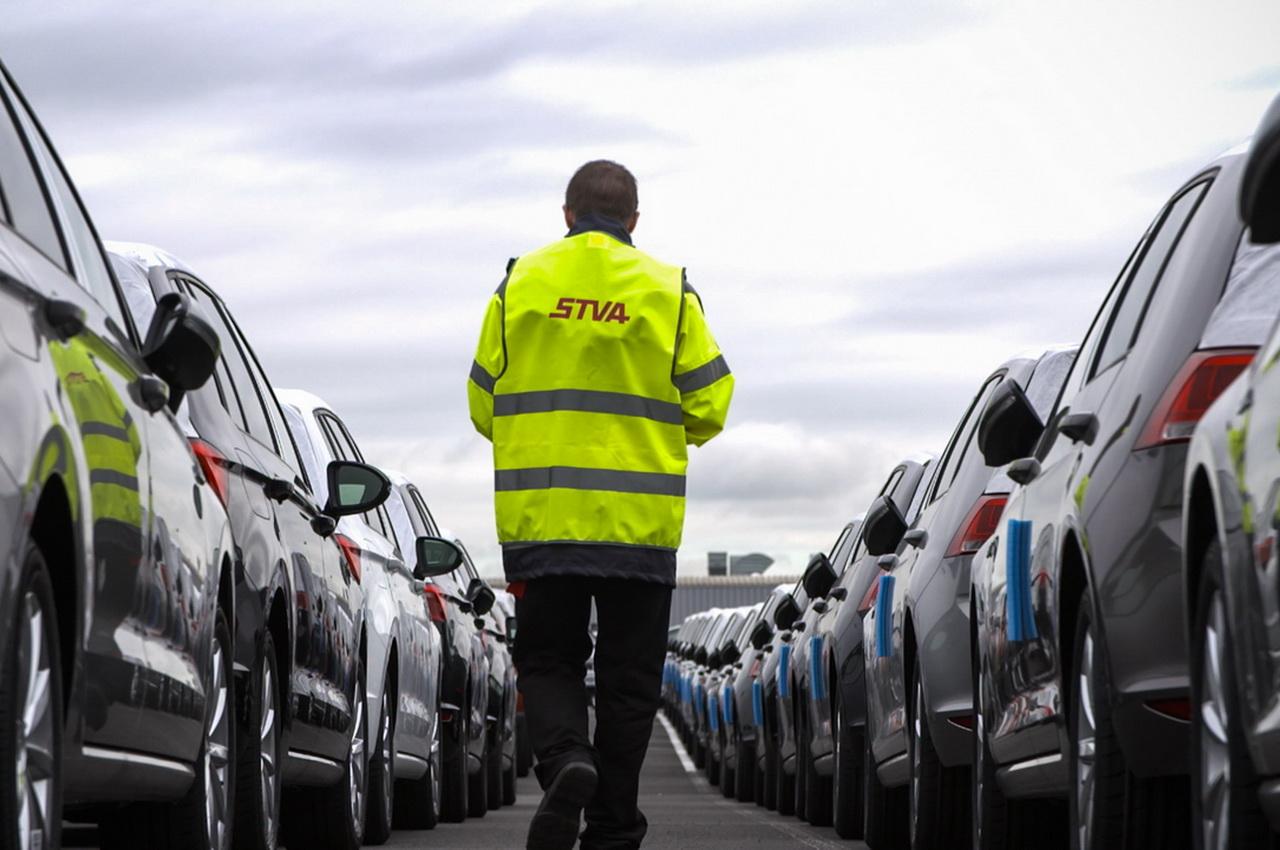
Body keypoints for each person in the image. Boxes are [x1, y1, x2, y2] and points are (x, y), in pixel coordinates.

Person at [467, 160, 733, 849]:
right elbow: (710, 404)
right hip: (638, 531)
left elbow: (481, 402)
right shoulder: (669, 290)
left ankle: (566, 760)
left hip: (545, 522)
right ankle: (613, 830)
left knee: (549, 661)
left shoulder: (519, 283)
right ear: (634, 222)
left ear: (566, 215)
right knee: (627, 684)